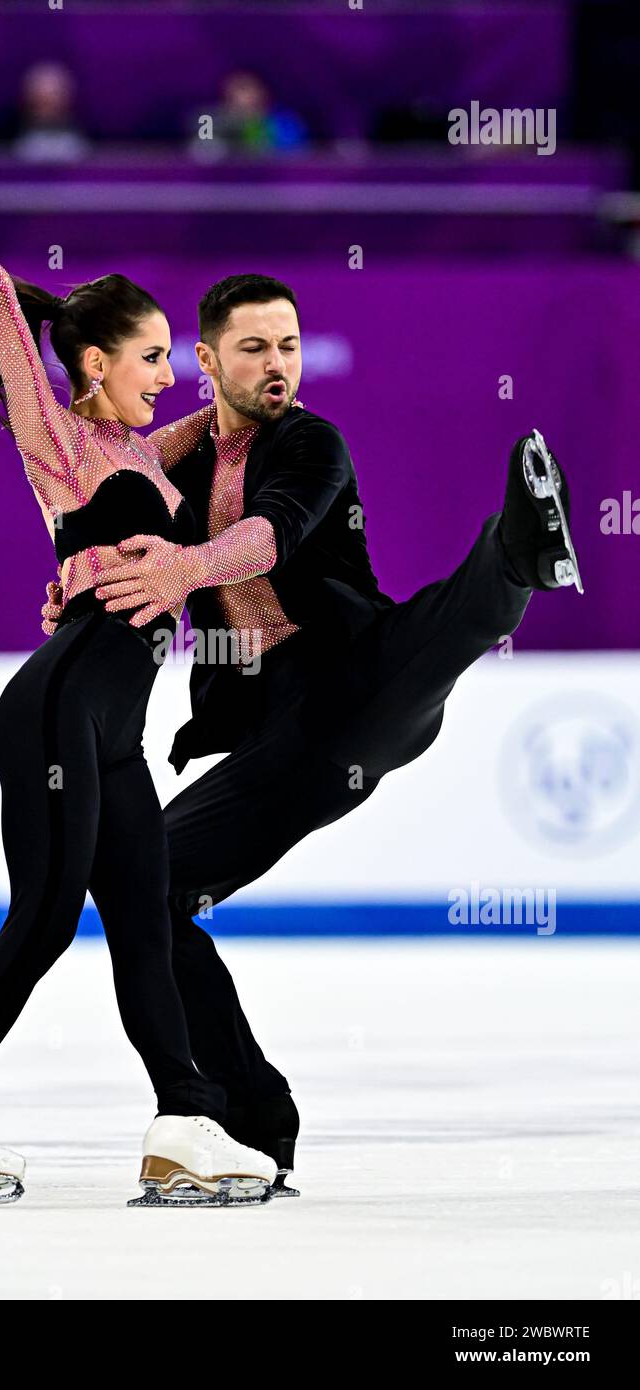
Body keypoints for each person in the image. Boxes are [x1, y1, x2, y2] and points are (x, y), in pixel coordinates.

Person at [41, 273, 583, 1194]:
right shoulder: (174, 458)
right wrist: (77, 587)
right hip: (277, 736)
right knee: (142, 884)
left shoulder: (310, 442)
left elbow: (271, 534)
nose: (277, 365)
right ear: (206, 360)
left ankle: (518, 551)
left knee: (437, 629)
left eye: (288, 346)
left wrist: (185, 569)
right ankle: (251, 1119)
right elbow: (109, 511)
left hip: (355, 677)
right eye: (254, 348)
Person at [0, 103, 283, 1208]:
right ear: (94, 363)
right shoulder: (62, 439)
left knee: (144, 923)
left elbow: (229, 440)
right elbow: (2, 303)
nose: (168, 375)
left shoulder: (145, 452)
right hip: (59, 705)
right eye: (152, 358)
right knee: (45, 918)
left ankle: (185, 1121)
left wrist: (259, 367)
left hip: (112, 726)